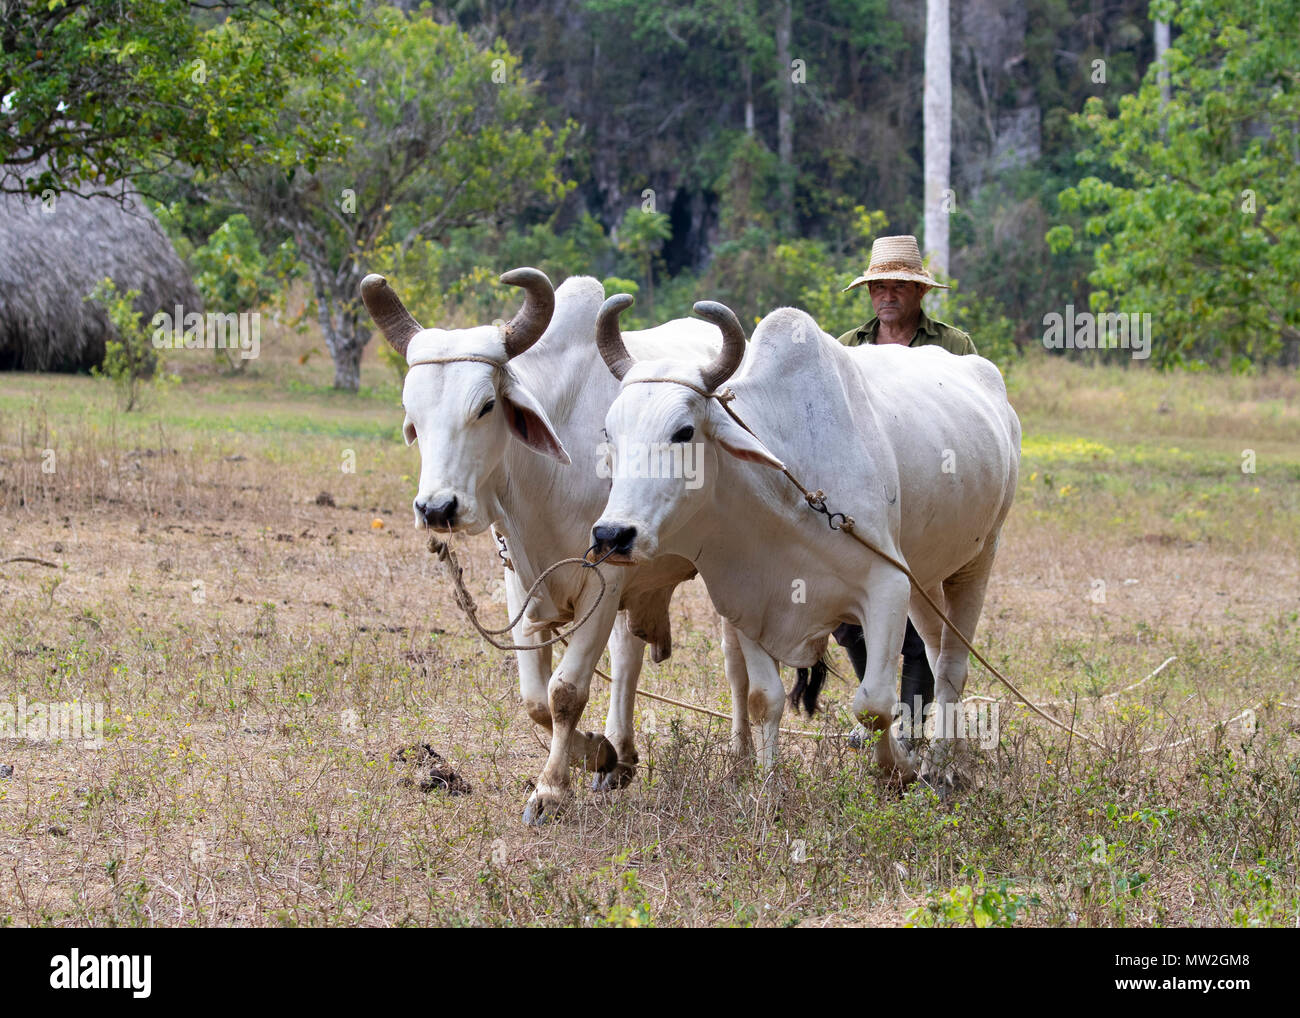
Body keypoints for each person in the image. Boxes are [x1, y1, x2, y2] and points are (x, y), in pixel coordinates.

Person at [833, 235, 976, 726]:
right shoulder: (847, 349)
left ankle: (913, 724)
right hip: (863, 498)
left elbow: (967, 422)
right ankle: (881, 716)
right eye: (878, 287)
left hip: (931, 488)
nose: (887, 296)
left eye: (899, 286)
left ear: (920, 292)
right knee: (847, 619)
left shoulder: (953, 347)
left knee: (919, 622)